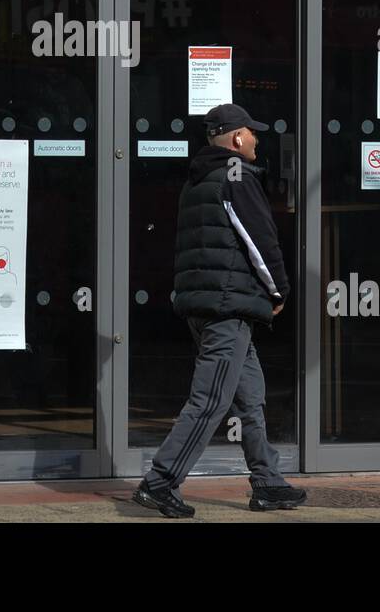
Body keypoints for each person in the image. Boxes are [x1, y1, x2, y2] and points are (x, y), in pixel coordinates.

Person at [132, 103, 307, 517]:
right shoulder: (237, 176)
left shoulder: (198, 178)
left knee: (250, 398)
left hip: (209, 303)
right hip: (227, 307)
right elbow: (259, 239)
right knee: (210, 399)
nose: (258, 139)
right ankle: (160, 482)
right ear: (237, 137)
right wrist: (278, 290)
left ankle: (267, 482)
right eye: (253, 132)